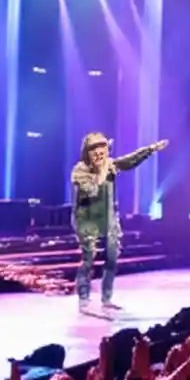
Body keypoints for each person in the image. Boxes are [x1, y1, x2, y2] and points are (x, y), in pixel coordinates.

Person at [69, 132, 168, 315]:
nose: (100, 154)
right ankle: (83, 298)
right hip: (86, 218)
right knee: (88, 258)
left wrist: (150, 149)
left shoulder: (111, 165)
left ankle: (107, 298)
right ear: (87, 152)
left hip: (108, 218)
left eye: (103, 149)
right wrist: (102, 170)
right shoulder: (80, 170)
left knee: (113, 258)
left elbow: (129, 160)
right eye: (95, 150)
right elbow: (91, 189)